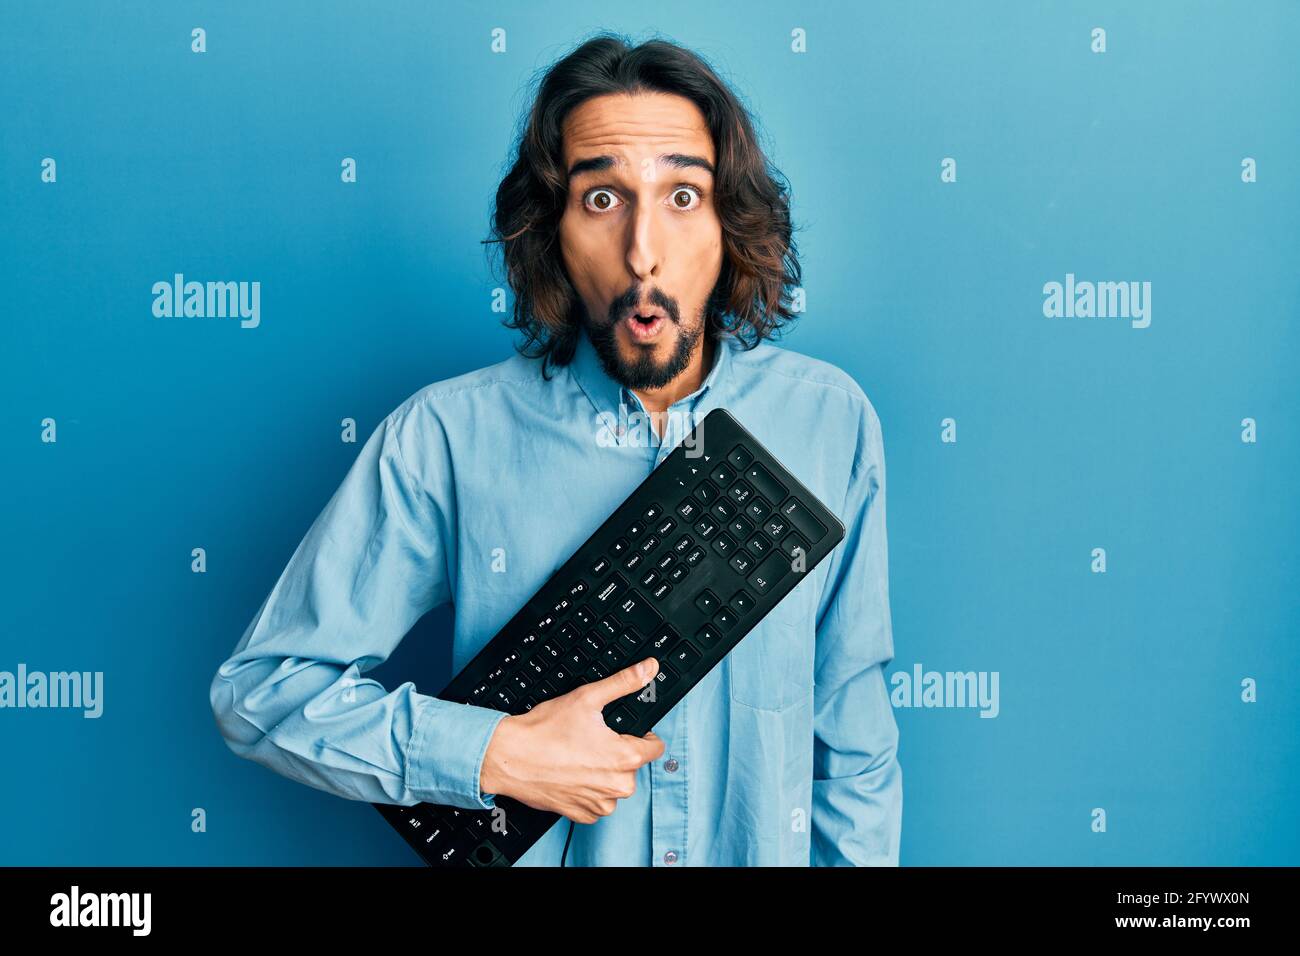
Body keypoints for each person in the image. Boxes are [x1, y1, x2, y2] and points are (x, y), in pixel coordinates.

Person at [209, 33, 901, 866]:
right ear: (551, 229)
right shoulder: (446, 439)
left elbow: (853, 749)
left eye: (683, 196)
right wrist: (495, 752)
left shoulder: (828, 421)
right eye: (602, 199)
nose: (643, 250)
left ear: (728, 224)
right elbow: (260, 694)